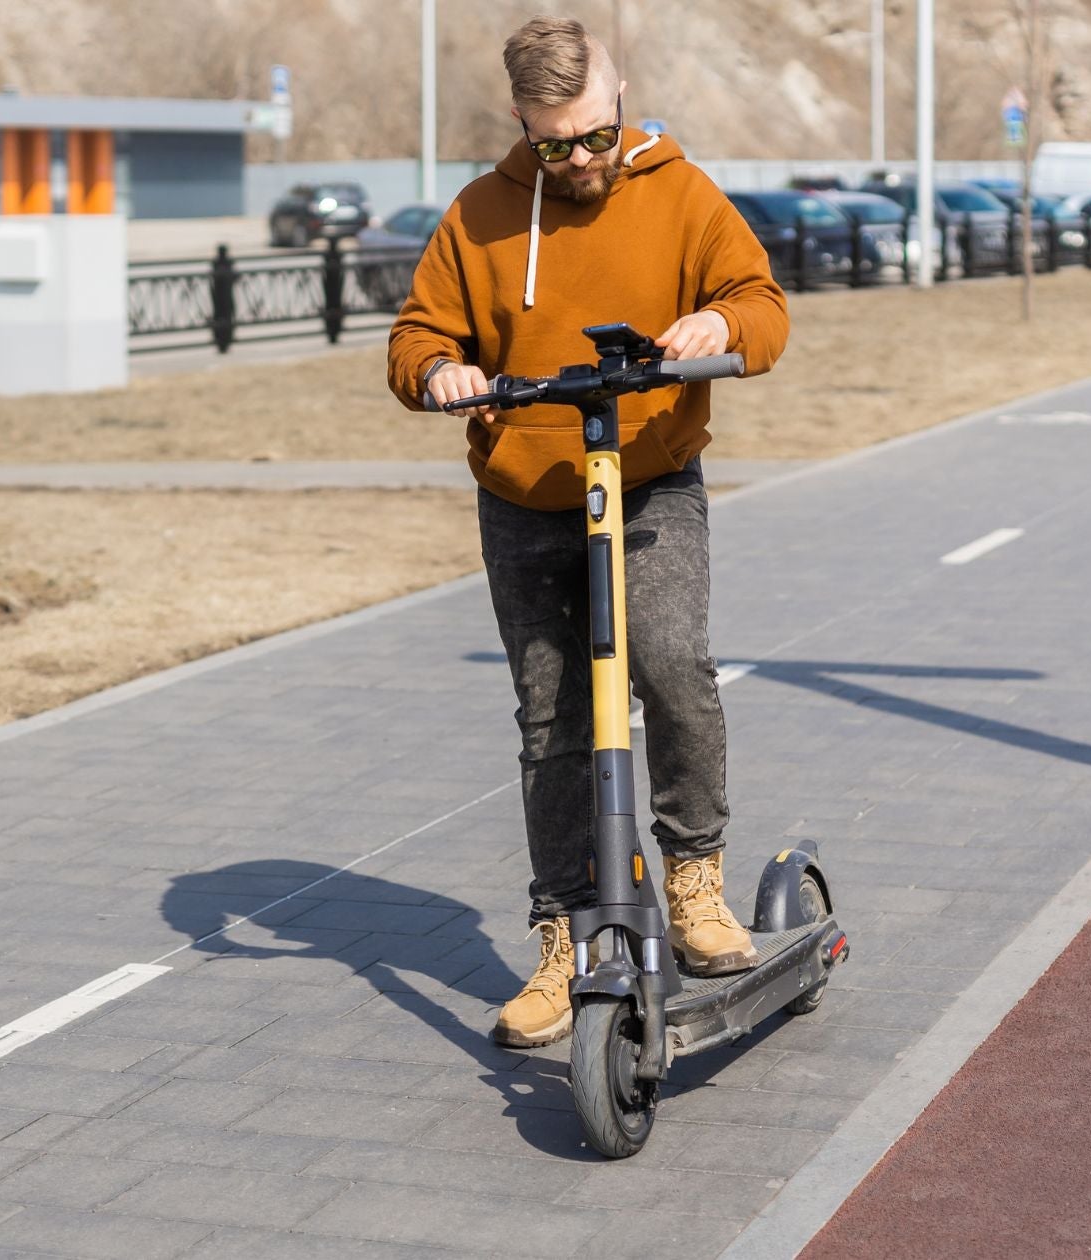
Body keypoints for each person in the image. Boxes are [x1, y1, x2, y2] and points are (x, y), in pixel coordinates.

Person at [385, 15, 789, 1048]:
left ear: (618, 103)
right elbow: (418, 332)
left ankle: (692, 877)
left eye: (592, 138)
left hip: (649, 478)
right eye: (551, 144)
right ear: (522, 123)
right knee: (549, 716)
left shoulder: (680, 194)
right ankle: (563, 933)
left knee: (667, 664)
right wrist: (440, 371)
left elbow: (761, 304)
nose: (577, 162)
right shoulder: (480, 213)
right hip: (523, 494)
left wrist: (719, 327)